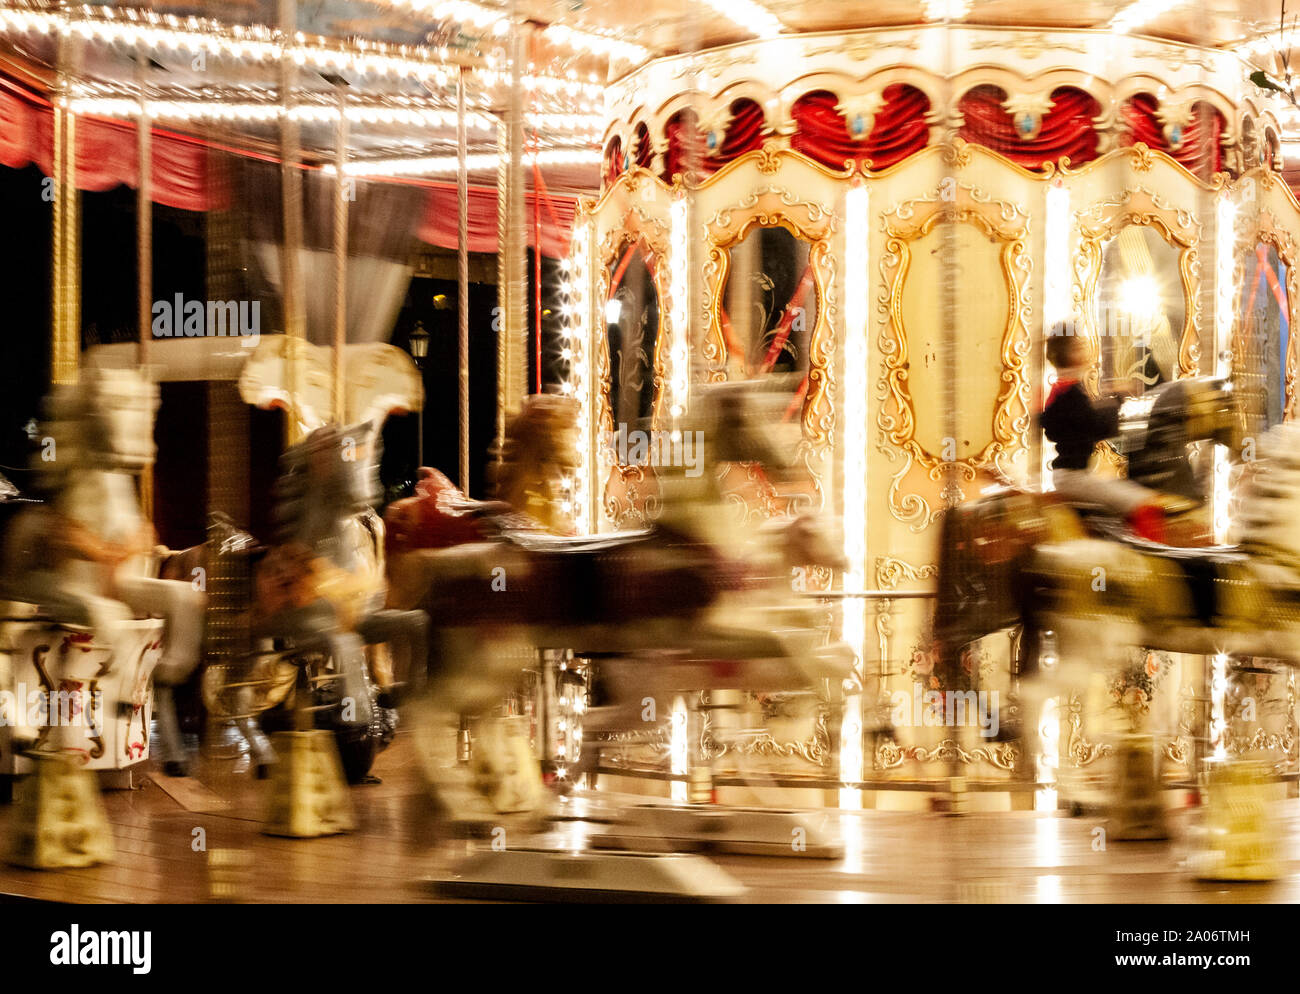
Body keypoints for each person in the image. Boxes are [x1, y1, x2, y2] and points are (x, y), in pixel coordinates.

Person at [1041, 323, 1167, 543]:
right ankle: (1147, 555)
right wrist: (1118, 400)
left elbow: (1072, 425)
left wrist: (1108, 402)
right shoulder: (1069, 394)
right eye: (1079, 345)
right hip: (1074, 477)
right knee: (1143, 501)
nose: (1085, 349)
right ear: (1070, 352)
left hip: (1073, 475)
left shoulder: (1064, 391)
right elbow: (1096, 426)